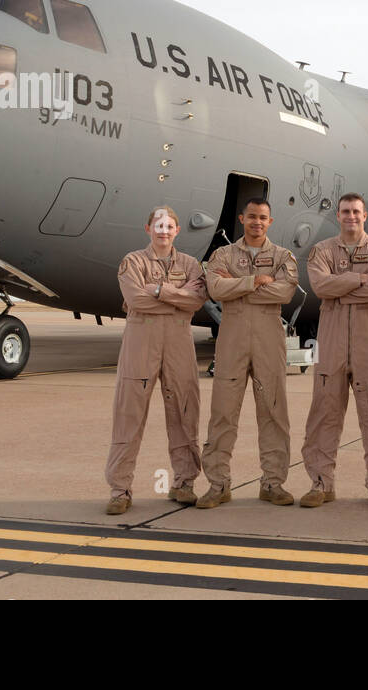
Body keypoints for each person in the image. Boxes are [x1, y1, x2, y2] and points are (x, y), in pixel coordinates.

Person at [105, 206, 207, 515]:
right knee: (130, 414)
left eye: (169, 226)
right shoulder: (132, 262)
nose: (163, 230)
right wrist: (178, 299)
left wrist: (159, 290)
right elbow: (136, 299)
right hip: (141, 342)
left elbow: (198, 299)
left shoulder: (191, 264)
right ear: (148, 228)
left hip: (178, 342)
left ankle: (183, 483)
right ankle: (120, 489)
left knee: (184, 411)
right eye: (158, 225)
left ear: (177, 230)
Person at [198, 198, 299, 508]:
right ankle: (218, 485)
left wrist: (237, 286)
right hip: (233, 336)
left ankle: (272, 483)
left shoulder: (283, 256)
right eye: (252, 216)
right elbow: (215, 288)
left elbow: (286, 290)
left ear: (270, 221)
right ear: (242, 218)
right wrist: (254, 281)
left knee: (273, 411)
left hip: (269, 336)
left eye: (263, 217)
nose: (257, 222)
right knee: (223, 413)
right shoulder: (223, 254)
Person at [298, 193, 368, 508]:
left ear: (364, 215)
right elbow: (321, 287)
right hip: (332, 342)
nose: (350, 216)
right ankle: (320, 483)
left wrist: (341, 289)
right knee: (324, 413)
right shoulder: (321, 250)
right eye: (345, 211)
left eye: (356, 211)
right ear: (337, 216)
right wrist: (360, 279)